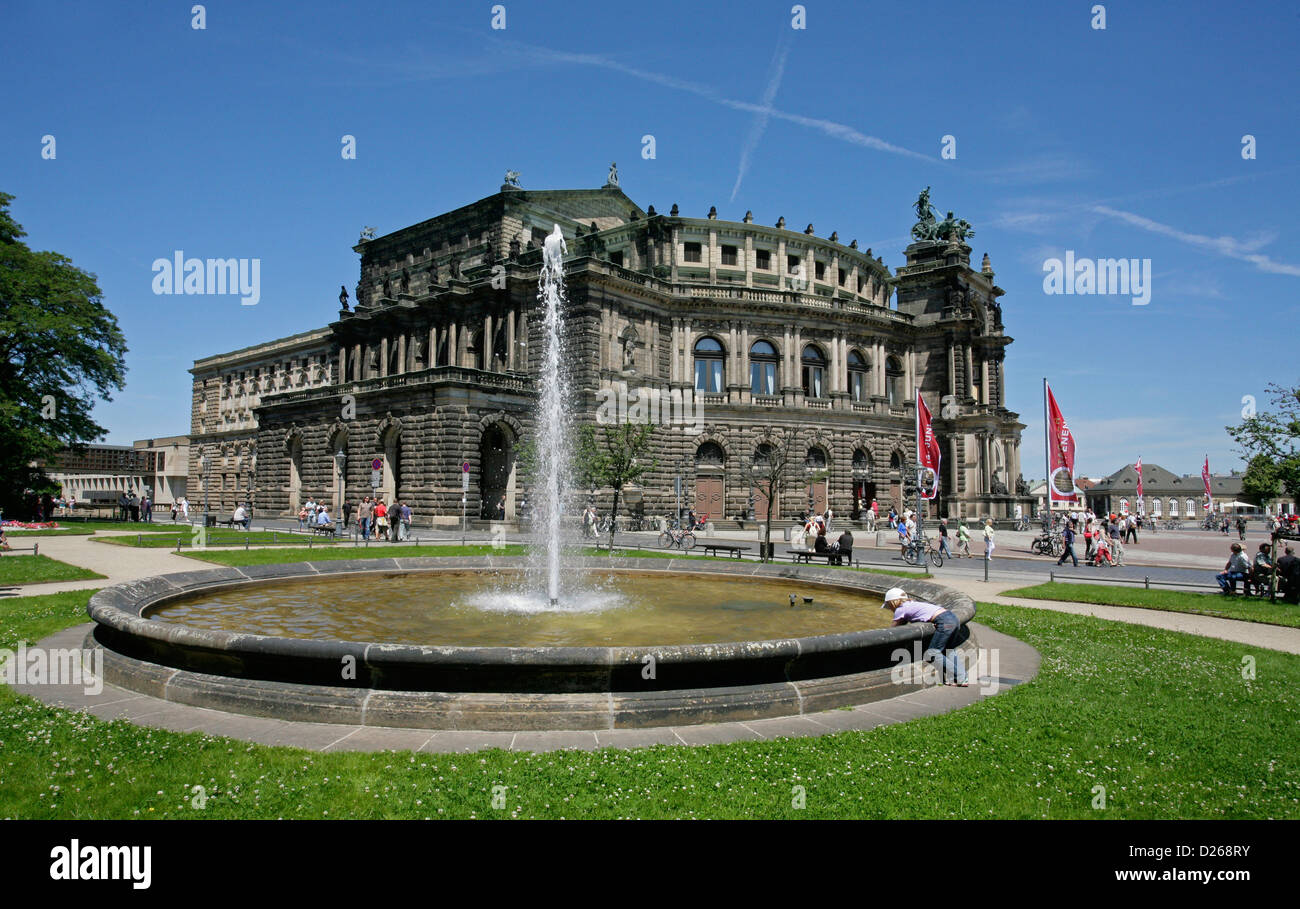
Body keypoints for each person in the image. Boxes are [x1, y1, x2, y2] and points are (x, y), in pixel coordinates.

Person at [882, 587, 969, 686]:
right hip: (953, 618)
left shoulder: (901, 609)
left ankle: (961, 676)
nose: (890, 609)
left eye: (889, 606)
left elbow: (892, 629)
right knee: (949, 650)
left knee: (932, 653)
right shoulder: (913, 604)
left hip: (944, 622)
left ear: (892, 603)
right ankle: (962, 678)